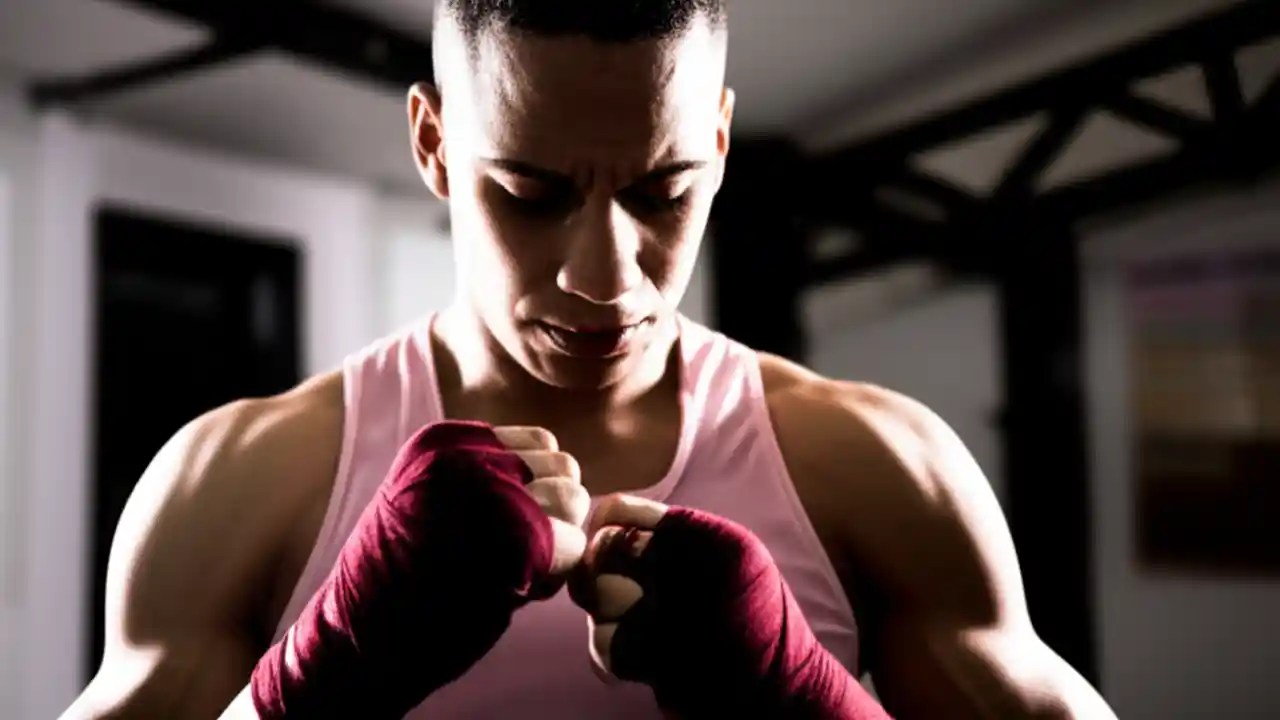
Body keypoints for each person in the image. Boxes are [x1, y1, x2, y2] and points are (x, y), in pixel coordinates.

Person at [61, 1, 1119, 718]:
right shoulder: (244, 477)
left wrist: (803, 700)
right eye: (531, 193)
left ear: (719, 139)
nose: (607, 279)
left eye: (664, 192)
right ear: (431, 145)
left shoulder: (871, 465)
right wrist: (323, 680)